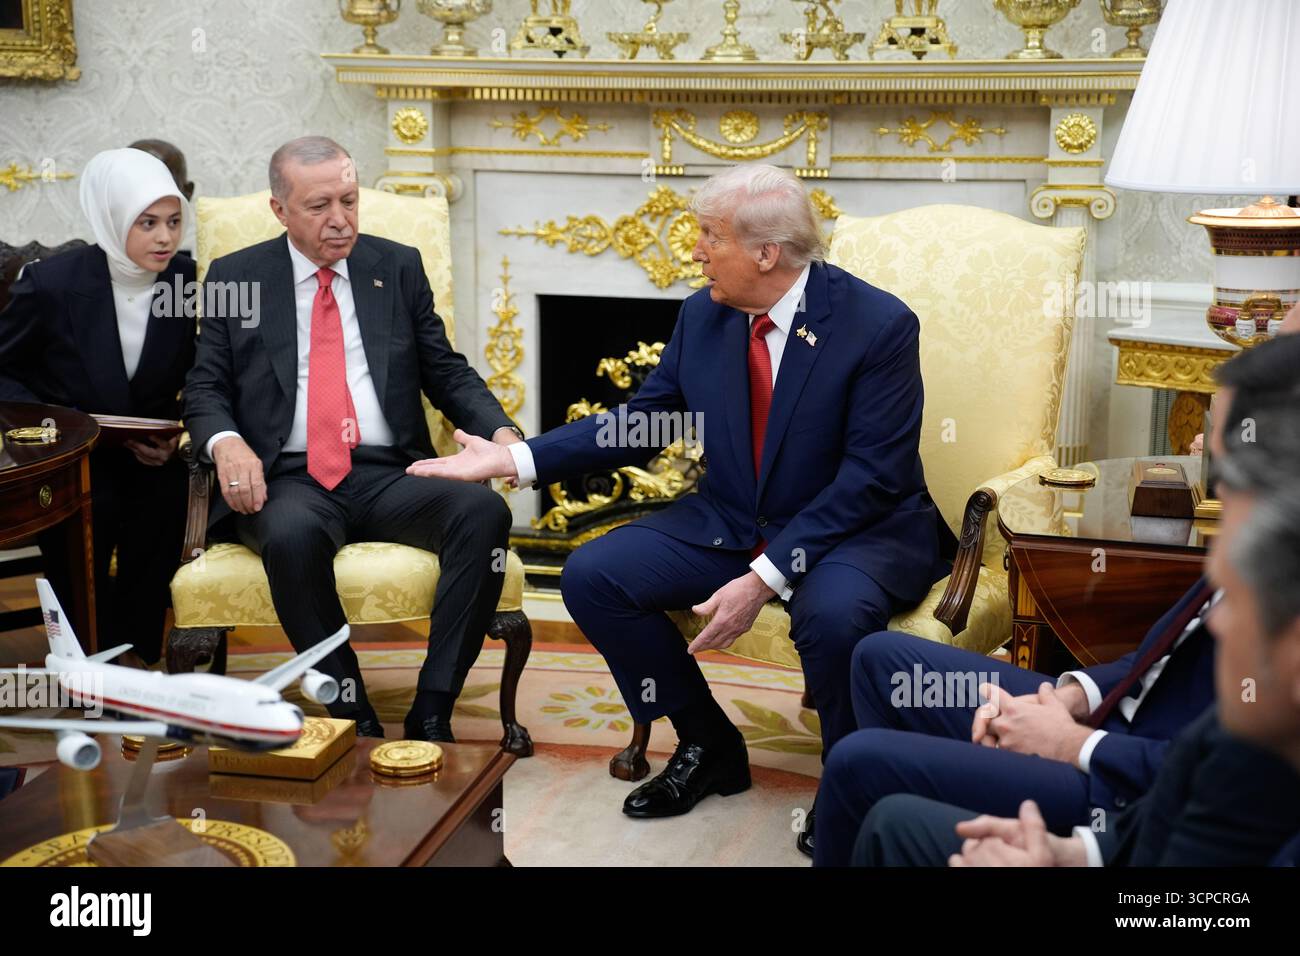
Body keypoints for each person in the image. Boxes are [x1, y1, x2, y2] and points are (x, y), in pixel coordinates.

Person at [408, 163, 953, 837]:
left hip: (854, 531)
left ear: (765, 252)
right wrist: (515, 458)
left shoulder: (878, 326)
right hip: (731, 517)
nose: (693, 251)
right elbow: (647, 421)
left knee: (836, 616)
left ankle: (852, 783)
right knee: (595, 575)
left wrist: (763, 578)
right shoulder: (705, 315)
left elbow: (871, 477)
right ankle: (710, 744)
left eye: (708, 235)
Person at [854, 332, 1300, 867]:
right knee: (880, 658)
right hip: (1111, 733)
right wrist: (1073, 694)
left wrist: (1073, 745)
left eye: (1225, 465)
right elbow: (1156, 664)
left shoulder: (1270, 586)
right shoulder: (1263, 551)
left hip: (1114, 779)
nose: (1220, 622)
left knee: (868, 774)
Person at [184, 136, 519, 742]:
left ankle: (434, 706)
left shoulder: (396, 266)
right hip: (289, 477)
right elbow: (205, 387)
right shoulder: (236, 278)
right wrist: (225, 442)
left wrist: (502, 437)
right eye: (319, 206)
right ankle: (351, 712)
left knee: (482, 512)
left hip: (391, 472)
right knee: (289, 535)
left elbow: (446, 369)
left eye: (348, 200)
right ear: (279, 210)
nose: (340, 220)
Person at [0, 147, 195, 665]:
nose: (165, 238)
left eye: (174, 222)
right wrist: (54, 428)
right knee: (87, 516)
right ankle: (89, 659)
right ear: (112, 219)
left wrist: (179, 434)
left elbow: (207, 373)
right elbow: (5, 370)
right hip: (70, 460)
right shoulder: (52, 283)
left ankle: (139, 660)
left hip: (150, 458)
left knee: (167, 502)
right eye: (148, 223)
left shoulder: (186, 281)